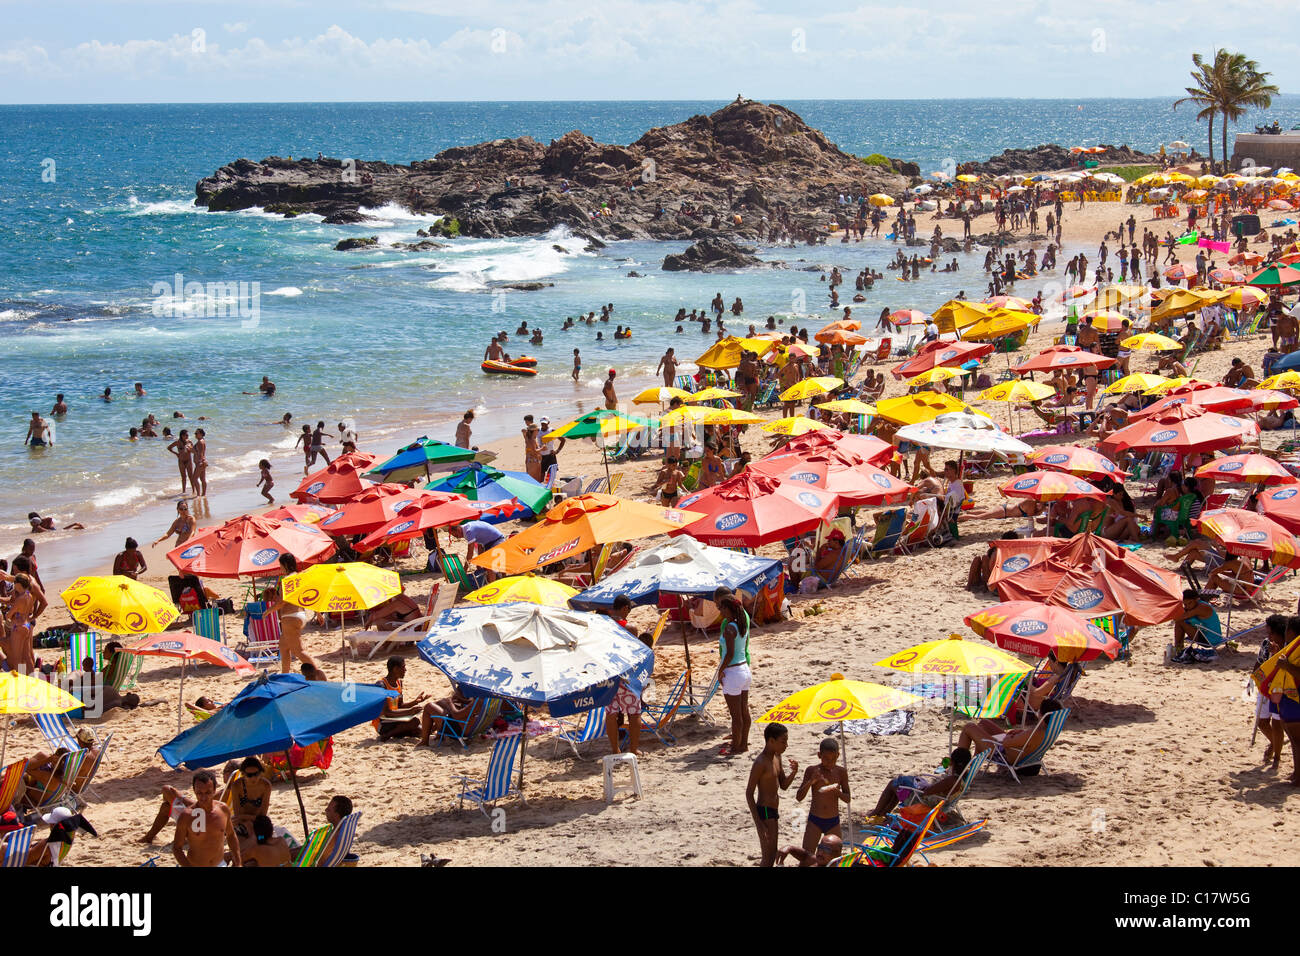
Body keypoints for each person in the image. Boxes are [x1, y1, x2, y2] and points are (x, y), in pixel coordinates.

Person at [865, 747, 972, 820]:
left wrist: (918, 784)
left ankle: (876, 812)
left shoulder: (952, 780)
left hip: (926, 804)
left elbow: (927, 792)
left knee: (894, 783)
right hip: (940, 803)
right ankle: (883, 812)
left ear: (953, 762)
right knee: (901, 782)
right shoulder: (962, 777)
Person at [745, 723, 797, 867]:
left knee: (771, 855)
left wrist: (794, 772)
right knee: (768, 857)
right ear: (771, 741)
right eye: (783, 741)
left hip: (773, 811)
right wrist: (759, 823)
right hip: (765, 811)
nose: (786, 745)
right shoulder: (760, 763)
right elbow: (749, 793)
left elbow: (784, 785)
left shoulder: (777, 758)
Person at [267, 554, 324, 676]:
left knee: (298, 651)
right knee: (283, 646)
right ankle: (285, 675)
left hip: (290, 617)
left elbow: (282, 602)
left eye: (281, 565)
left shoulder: (287, 580)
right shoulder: (300, 577)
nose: (280, 568)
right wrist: (318, 612)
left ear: (285, 565)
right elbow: (311, 595)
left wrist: (268, 611)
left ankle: (319, 676)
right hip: (300, 615)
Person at [794, 737, 850, 856]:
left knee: (834, 858)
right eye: (826, 758)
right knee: (807, 856)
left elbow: (848, 798)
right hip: (815, 820)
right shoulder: (812, 770)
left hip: (833, 821)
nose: (829, 762)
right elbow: (799, 797)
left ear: (838, 755)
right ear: (819, 755)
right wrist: (811, 781)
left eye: (833, 759)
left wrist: (837, 792)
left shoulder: (841, 772)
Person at [173, 769, 242, 867]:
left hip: (220, 864)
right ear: (194, 791)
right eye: (199, 793)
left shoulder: (223, 810)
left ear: (214, 791)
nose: (203, 797)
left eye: (208, 792)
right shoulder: (186, 816)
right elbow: (177, 848)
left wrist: (238, 862)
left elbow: (231, 835)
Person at [955, 701, 1064, 760]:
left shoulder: (1035, 733)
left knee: (969, 727)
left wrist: (1010, 736)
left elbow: (1006, 743)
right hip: (1015, 749)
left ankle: (959, 764)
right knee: (984, 723)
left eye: (1040, 710)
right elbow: (1023, 740)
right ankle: (975, 760)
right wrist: (1019, 733)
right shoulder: (1046, 730)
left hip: (1003, 753)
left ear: (1042, 715)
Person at [716, 592, 752, 757]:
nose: (719, 611)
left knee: (736, 715)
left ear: (727, 608)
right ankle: (743, 744)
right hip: (744, 668)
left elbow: (729, 653)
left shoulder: (730, 628)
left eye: (721, 608)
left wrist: (720, 670)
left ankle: (736, 746)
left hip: (733, 671)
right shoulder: (741, 624)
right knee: (744, 711)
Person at [373, 657, 433, 740]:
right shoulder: (382, 685)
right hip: (382, 723)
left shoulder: (399, 683)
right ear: (395, 669)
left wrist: (414, 702)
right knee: (415, 722)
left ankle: (400, 732)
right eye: (403, 667)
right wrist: (410, 711)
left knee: (420, 730)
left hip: (393, 718)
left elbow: (400, 706)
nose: (405, 670)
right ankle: (386, 736)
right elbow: (387, 712)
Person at [1169, 588, 1221, 663]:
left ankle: (1178, 649)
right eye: (1185, 604)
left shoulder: (1201, 608)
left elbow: (1178, 618)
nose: (1187, 606)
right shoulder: (1200, 604)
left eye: (1189, 603)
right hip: (1213, 636)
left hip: (1210, 640)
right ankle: (1178, 648)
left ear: (1197, 599)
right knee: (1181, 621)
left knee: (1180, 622)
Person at [775, 833, 844, 867]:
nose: (820, 852)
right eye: (820, 847)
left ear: (837, 855)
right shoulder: (821, 861)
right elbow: (806, 856)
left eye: (826, 850)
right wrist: (789, 848)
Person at [165, 429, 196, 495]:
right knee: (183, 477)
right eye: (186, 435)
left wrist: (190, 449)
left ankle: (194, 490)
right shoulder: (177, 442)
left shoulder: (189, 442)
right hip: (181, 461)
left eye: (188, 435)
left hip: (188, 460)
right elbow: (169, 448)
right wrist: (176, 453)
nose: (187, 436)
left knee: (191, 476)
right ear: (182, 436)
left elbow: (194, 451)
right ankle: (184, 491)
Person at [521, 415, 543, 482]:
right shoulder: (531, 438)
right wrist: (542, 448)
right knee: (534, 478)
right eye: (537, 430)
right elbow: (534, 451)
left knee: (533, 477)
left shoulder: (530, 437)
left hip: (532, 458)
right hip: (533, 459)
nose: (538, 431)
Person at [192, 428, 209, 496]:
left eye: (196, 433)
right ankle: (203, 494)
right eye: (195, 433)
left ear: (201, 434)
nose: (195, 435)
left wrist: (200, 462)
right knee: (202, 479)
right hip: (202, 461)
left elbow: (200, 453)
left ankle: (198, 494)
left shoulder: (200, 442)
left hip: (200, 462)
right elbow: (199, 452)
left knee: (194, 478)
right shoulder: (202, 441)